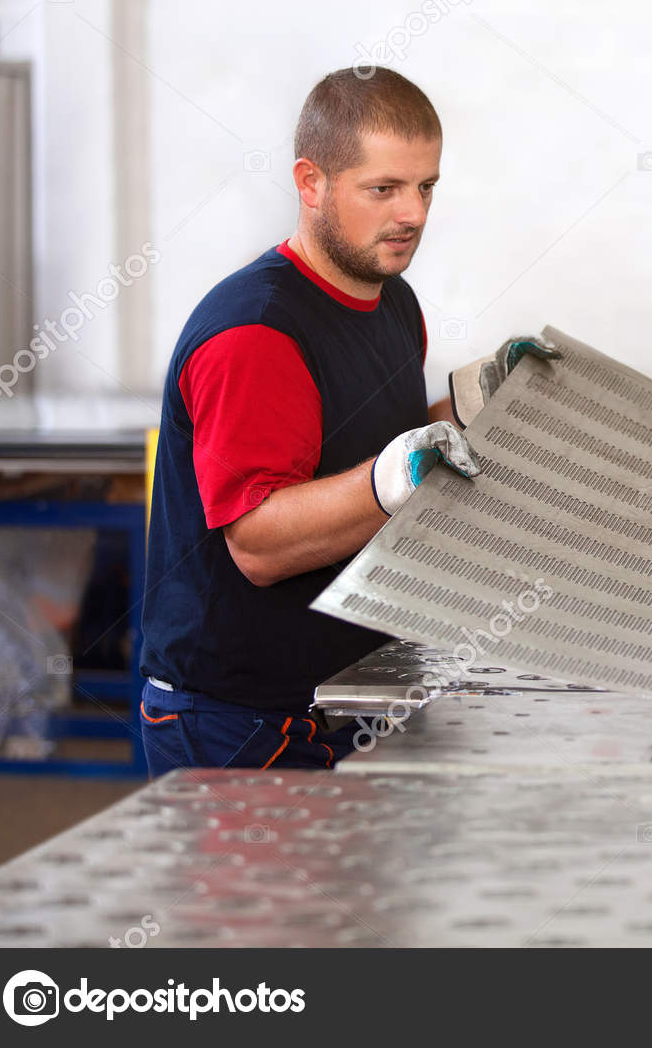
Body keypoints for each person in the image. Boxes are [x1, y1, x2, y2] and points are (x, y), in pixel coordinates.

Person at [139, 66, 555, 776]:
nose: (413, 213)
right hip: (238, 719)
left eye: (426, 186)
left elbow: (378, 442)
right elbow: (258, 544)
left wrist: (484, 404)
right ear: (311, 183)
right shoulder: (257, 333)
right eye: (384, 188)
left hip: (349, 693)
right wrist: (399, 479)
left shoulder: (393, 301)